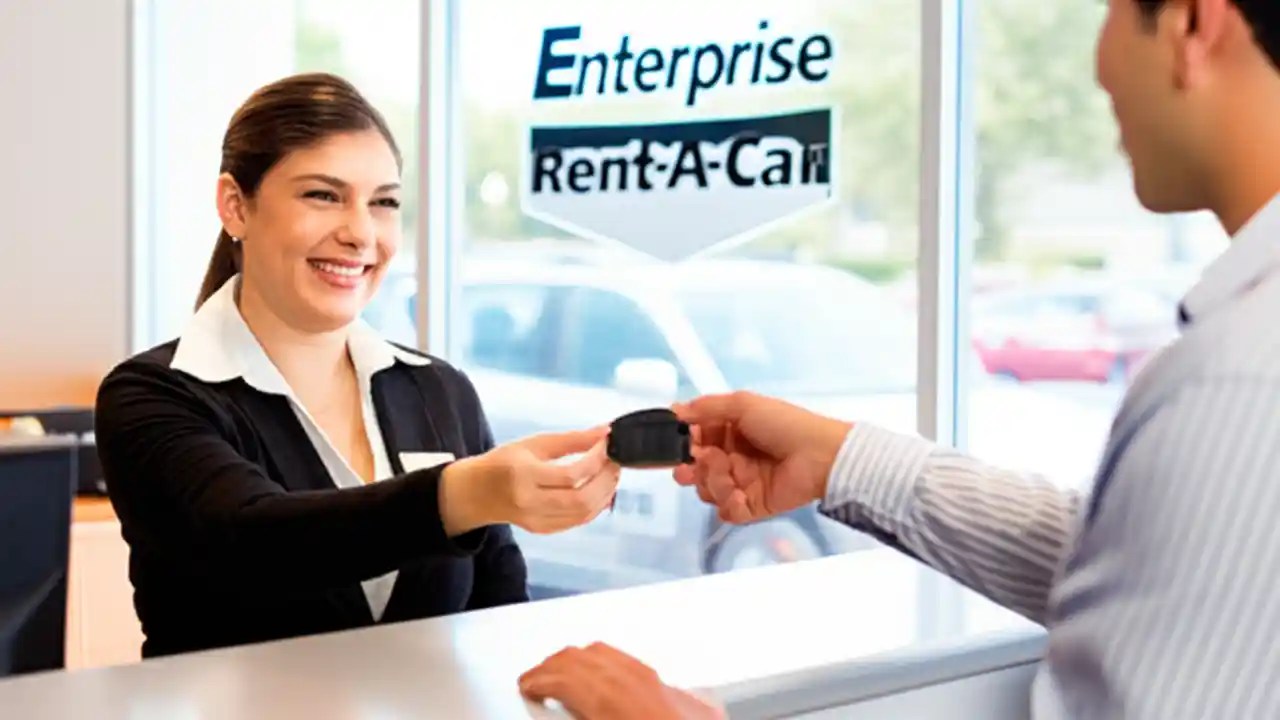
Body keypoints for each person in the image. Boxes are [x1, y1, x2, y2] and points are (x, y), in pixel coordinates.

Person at [521, 1, 1280, 717]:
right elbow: (1144, 573)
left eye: (1111, 14)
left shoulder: (1233, 379)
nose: (1100, 66)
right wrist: (842, 461)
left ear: (1192, 22)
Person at [95, 72, 620, 658]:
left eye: (384, 203)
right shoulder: (152, 395)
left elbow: (498, 620)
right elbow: (252, 541)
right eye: (323, 195)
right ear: (235, 206)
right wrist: (466, 494)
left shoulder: (439, 390)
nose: (361, 233)